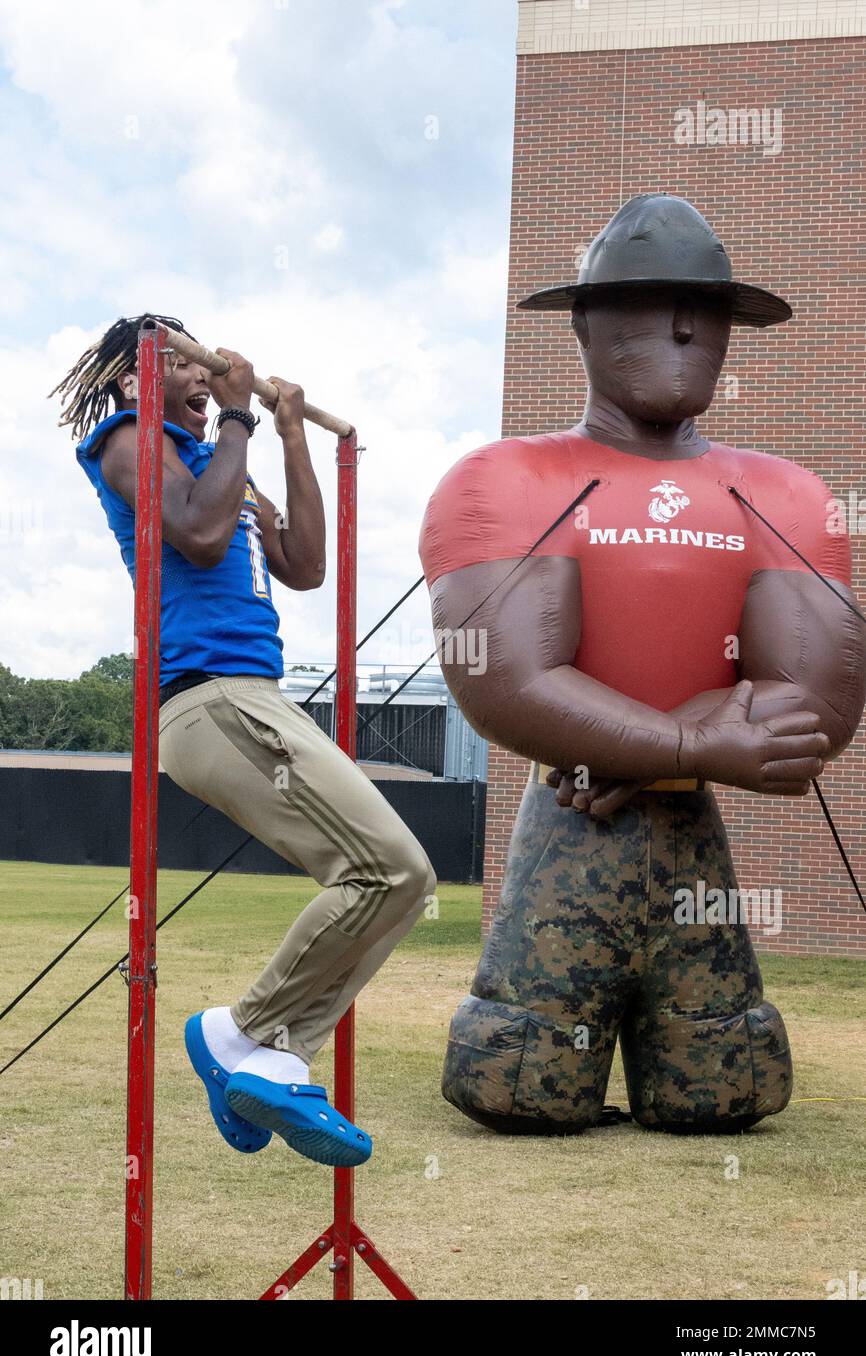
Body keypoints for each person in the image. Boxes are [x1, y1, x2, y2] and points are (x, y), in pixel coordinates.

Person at [419, 195, 866, 1136]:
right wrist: (691, 735)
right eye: (651, 301)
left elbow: (810, 717)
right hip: (567, 837)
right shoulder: (505, 479)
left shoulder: (787, 493)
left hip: (670, 829)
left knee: (724, 1089)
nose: (682, 326)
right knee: (520, 1082)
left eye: (703, 308)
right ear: (585, 324)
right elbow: (508, 683)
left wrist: (654, 748)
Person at [55, 313, 435, 1167]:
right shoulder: (130, 439)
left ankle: (270, 1056)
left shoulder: (227, 466)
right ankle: (242, 1035)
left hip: (256, 699)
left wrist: (290, 434)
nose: (204, 370)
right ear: (134, 378)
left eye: (207, 361)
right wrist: (235, 416)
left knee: (404, 885)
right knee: (390, 866)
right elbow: (194, 532)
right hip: (210, 699)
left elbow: (305, 561)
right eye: (183, 360)